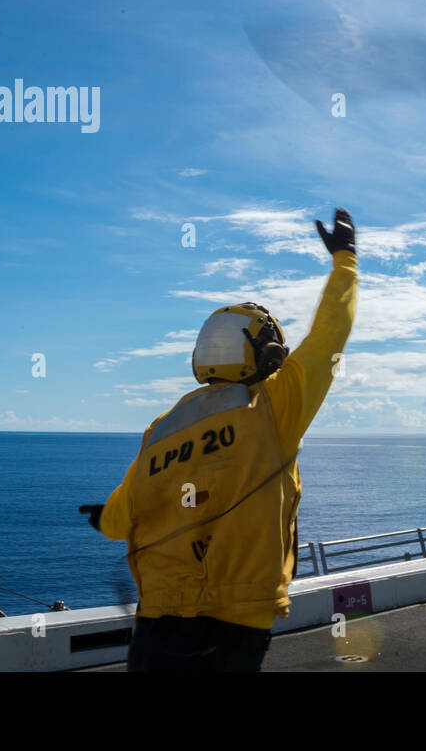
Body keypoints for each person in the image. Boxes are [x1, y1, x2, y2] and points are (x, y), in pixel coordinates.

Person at [79, 208, 357, 671]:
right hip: (236, 622)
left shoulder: (161, 428)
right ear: (268, 354)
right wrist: (344, 260)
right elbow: (331, 331)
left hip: (157, 626)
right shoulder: (273, 407)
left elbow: (123, 518)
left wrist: (103, 516)